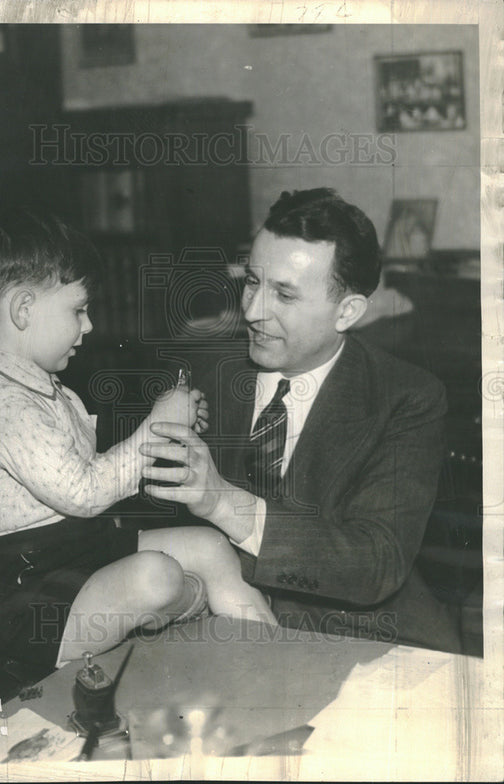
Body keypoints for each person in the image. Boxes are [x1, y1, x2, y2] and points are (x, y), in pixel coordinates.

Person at [0, 208, 276, 671]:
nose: (89, 326)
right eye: (78, 309)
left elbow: (88, 468)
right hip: (34, 601)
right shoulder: (2, 408)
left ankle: (277, 654)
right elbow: (83, 493)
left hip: (83, 553)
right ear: (24, 310)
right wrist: (154, 429)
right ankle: (190, 611)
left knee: (209, 544)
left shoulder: (34, 387)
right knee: (156, 575)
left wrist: (168, 425)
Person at [140, 188, 462, 653]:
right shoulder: (200, 369)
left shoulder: (406, 398)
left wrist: (220, 501)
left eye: (284, 295)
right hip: (209, 622)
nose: (252, 312)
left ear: (347, 311)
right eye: (252, 282)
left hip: (356, 635)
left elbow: (376, 563)